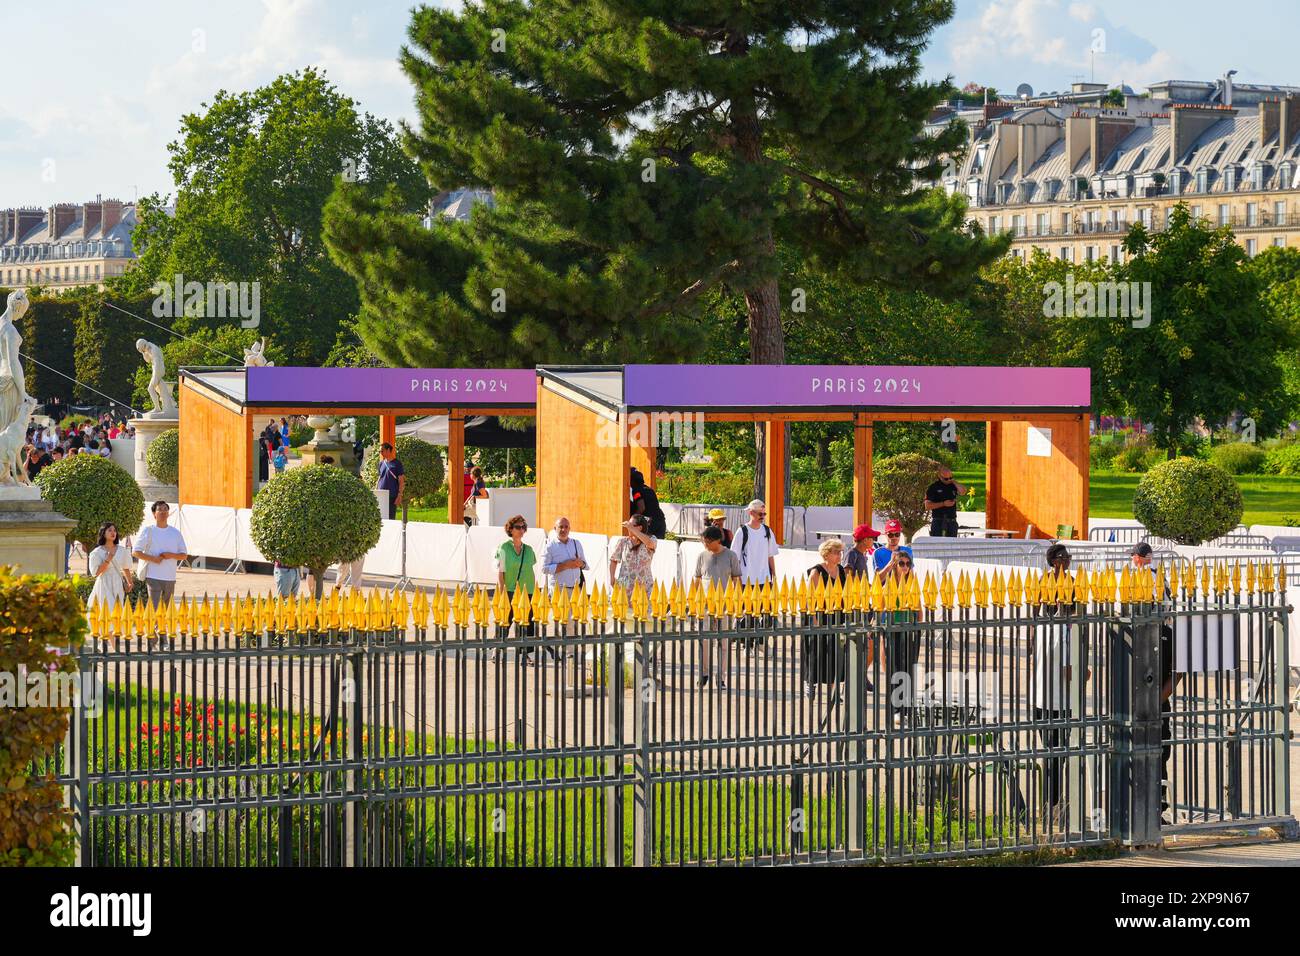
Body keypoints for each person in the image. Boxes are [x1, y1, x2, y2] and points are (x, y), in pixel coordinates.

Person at [1033, 543, 1084, 827]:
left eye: (1069, 558)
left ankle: (1052, 804)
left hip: (1043, 697)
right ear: (1054, 562)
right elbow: (1071, 672)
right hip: (1058, 700)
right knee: (1058, 755)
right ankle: (1054, 805)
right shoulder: (1060, 632)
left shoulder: (1046, 629)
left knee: (1054, 757)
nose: (1068, 562)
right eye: (1064, 559)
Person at [1130, 541, 1176, 824]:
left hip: (1158, 704)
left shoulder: (1167, 634)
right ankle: (1137, 807)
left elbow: (1176, 670)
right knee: (1135, 752)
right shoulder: (1129, 636)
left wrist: (1158, 699)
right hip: (1134, 704)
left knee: (1160, 753)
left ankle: (1158, 807)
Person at [694, 525, 741, 687]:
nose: (705, 544)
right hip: (706, 605)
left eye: (707, 542)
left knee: (724, 643)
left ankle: (721, 676)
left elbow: (736, 580)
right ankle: (704, 672)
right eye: (703, 541)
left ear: (717, 540)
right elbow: (697, 579)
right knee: (704, 640)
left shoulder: (730, 556)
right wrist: (693, 600)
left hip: (725, 606)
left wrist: (737, 602)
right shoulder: (702, 556)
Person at [803, 538, 850, 699]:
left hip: (836, 615)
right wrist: (815, 620)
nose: (839, 555)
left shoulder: (841, 571)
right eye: (836, 552)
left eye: (840, 552)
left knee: (835, 652)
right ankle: (810, 682)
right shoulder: (817, 571)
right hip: (819, 615)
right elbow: (810, 598)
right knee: (816, 652)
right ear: (826, 554)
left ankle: (833, 690)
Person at [880, 545, 920, 724]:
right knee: (894, 669)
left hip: (909, 628)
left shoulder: (913, 581)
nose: (905, 567)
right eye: (902, 564)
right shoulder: (889, 584)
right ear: (896, 566)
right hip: (893, 629)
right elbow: (880, 605)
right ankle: (896, 708)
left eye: (908, 564)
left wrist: (920, 626)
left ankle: (907, 708)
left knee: (909, 668)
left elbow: (918, 605)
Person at [495, 515, 541, 663]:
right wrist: (502, 592)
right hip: (509, 589)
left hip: (527, 591)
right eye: (517, 527)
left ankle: (525, 654)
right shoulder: (503, 547)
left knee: (525, 623)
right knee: (505, 621)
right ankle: (497, 650)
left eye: (523, 527)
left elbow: (530, 570)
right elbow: (501, 572)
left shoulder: (529, 550)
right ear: (510, 529)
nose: (521, 530)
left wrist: (535, 591)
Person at [131, 501, 189, 608]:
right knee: (154, 607)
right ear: (154, 514)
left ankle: (161, 625)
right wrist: (153, 559)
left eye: (165, 509)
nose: (163, 512)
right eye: (159, 509)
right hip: (153, 576)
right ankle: (155, 625)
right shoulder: (148, 531)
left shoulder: (175, 533)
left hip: (170, 577)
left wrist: (171, 555)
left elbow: (184, 555)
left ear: (168, 513)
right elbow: (135, 552)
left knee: (167, 608)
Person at [86, 521, 135, 614]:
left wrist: (130, 582)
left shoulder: (122, 550)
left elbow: (126, 567)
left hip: (117, 582)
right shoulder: (97, 552)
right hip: (104, 582)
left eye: (114, 530)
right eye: (109, 530)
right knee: (106, 609)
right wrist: (108, 560)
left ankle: (115, 629)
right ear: (103, 533)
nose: (113, 533)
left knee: (117, 609)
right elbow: (96, 573)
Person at [731, 499, 779, 586]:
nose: (762, 517)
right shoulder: (741, 531)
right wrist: (737, 579)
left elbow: (770, 555)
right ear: (751, 513)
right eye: (760, 514)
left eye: (764, 514)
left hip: (765, 580)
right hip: (746, 580)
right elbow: (735, 558)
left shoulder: (767, 531)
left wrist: (774, 575)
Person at [609, 514, 657, 596]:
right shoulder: (623, 541)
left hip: (645, 587)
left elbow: (649, 544)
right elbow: (614, 560)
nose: (628, 528)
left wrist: (631, 528)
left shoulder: (651, 539)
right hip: (625, 587)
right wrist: (612, 578)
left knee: (644, 608)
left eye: (631, 525)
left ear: (640, 528)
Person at [542, 516, 587, 592]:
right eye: (561, 527)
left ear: (569, 529)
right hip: (558, 591)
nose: (564, 529)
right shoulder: (549, 546)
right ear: (555, 528)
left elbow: (585, 565)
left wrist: (581, 563)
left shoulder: (576, 543)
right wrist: (565, 565)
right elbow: (544, 569)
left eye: (566, 527)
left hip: (576, 590)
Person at [923, 466, 966, 538]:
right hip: (938, 521)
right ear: (939, 476)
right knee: (938, 546)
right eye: (946, 479)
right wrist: (943, 504)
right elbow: (927, 506)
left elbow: (963, 492)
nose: (948, 480)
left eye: (950, 477)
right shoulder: (933, 487)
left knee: (951, 546)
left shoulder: (953, 485)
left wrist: (954, 481)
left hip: (952, 521)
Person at [630, 468, 667, 538]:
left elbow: (641, 507)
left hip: (650, 524)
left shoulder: (636, 491)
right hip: (661, 522)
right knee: (658, 546)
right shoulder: (649, 489)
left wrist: (633, 519)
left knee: (648, 546)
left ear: (633, 481)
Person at [376, 442, 405, 520]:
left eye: (382, 451)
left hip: (391, 495)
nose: (380, 453)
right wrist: (376, 491)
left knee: (390, 518)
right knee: (380, 518)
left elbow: (401, 481)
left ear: (388, 450)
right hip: (381, 495)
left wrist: (399, 495)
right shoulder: (381, 463)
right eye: (380, 451)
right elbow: (380, 478)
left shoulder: (397, 464)